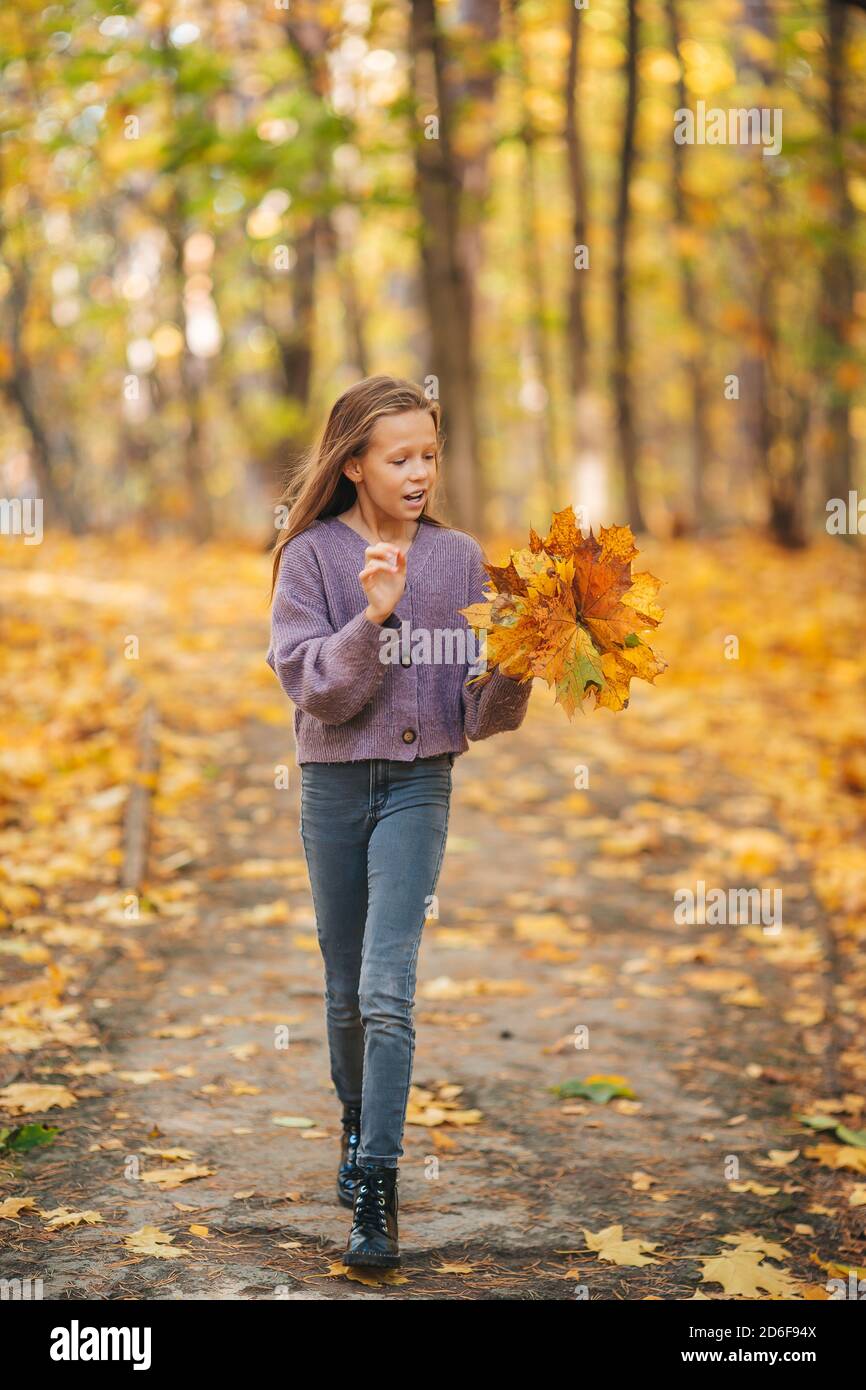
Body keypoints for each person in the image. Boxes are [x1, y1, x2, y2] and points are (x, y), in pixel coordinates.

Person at [266, 374, 533, 1268]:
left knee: (388, 991)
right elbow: (318, 691)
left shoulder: (461, 559)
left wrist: (521, 660)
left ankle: (377, 1187)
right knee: (344, 990)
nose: (420, 471)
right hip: (335, 786)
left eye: (430, 454)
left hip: (421, 786)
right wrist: (375, 618)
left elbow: (478, 714)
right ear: (354, 465)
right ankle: (354, 1121)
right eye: (400, 457)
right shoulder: (310, 559)